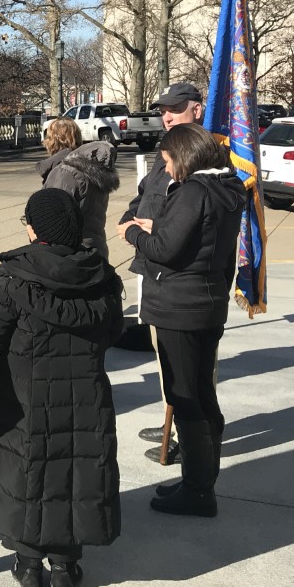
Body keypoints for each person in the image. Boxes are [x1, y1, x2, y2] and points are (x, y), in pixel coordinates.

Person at [0, 188, 124, 587]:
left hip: (26, 391)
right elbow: (112, 332)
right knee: (72, 468)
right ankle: (64, 565)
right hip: (84, 391)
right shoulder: (101, 275)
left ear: (36, 229)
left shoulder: (16, 275)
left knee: (29, 468)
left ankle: (28, 562)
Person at [118, 122, 245, 518]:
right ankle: (201, 479)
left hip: (180, 306)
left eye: (169, 160)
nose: (167, 169)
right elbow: (200, 240)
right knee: (203, 394)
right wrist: (159, 227)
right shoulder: (226, 188)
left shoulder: (192, 191)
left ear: (185, 157)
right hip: (207, 302)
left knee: (185, 397)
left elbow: (167, 249)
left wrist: (134, 235)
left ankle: (198, 491)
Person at [120, 81, 205, 461]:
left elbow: (189, 217)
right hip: (154, 268)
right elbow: (145, 195)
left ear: (197, 110)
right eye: (163, 110)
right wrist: (129, 219)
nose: (167, 116)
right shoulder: (165, 152)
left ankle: (193, 439)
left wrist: (144, 231)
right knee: (164, 359)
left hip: (181, 278)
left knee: (194, 373)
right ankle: (172, 416)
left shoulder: (203, 154)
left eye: (175, 108)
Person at [37, 117, 120, 258]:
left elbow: (56, 220)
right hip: (95, 246)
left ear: (52, 140)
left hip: (72, 254)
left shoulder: (65, 172)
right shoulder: (92, 167)